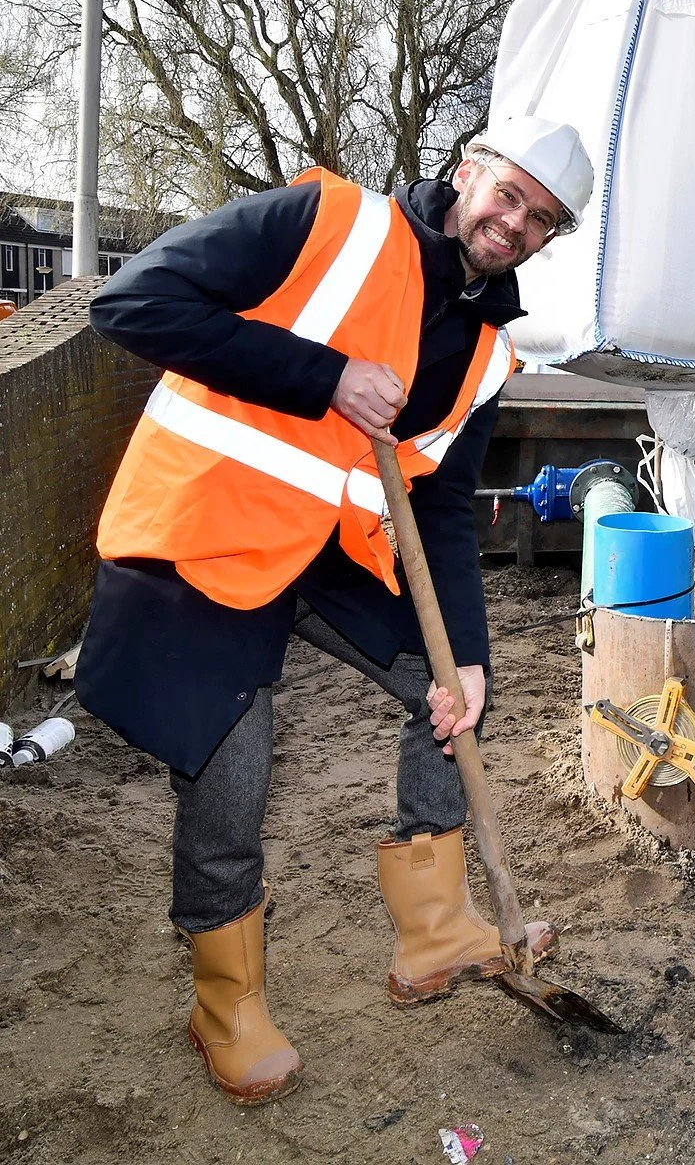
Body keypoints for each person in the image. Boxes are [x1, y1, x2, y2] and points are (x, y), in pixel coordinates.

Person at [76, 115, 593, 1105]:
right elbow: (131, 300)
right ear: (466, 170)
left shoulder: (487, 352)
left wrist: (468, 658)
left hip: (324, 552)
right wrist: (323, 377)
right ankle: (226, 1002)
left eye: (542, 220)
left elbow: (438, 506)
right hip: (206, 532)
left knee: (445, 692)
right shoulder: (329, 219)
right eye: (510, 193)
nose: (516, 222)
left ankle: (436, 928)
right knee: (235, 757)